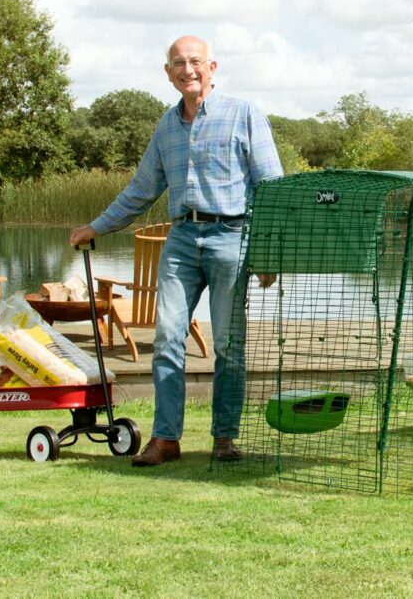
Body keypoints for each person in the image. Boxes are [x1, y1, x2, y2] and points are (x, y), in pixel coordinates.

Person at [70, 35, 282, 466]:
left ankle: (224, 437)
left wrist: (270, 253)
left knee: (228, 343)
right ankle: (166, 439)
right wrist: (96, 226)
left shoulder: (243, 114)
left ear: (213, 67)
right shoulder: (166, 126)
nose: (188, 69)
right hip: (182, 239)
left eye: (196, 61)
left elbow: (272, 188)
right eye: (179, 63)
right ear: (168, 73)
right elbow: (141, 190)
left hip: (232, 236)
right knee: (167, 337)